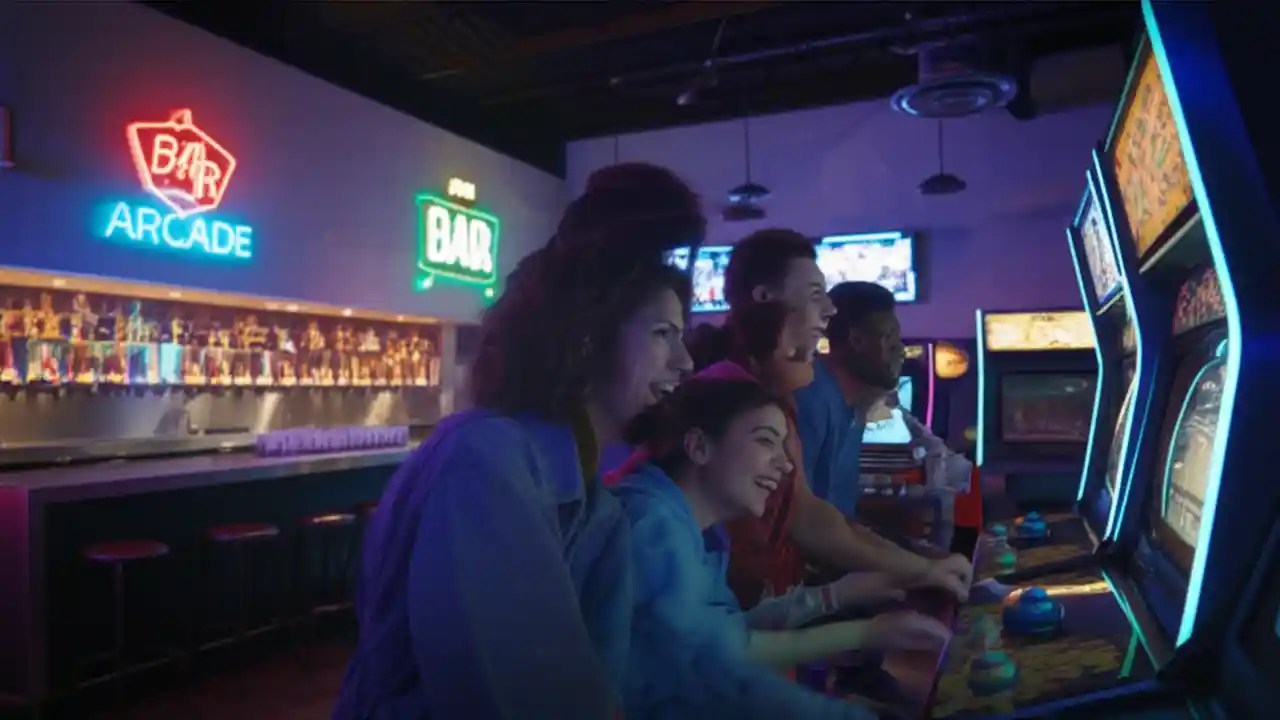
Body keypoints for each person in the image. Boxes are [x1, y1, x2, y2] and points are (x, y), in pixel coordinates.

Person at [332, 163, 702, 720]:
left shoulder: (595, 505)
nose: (685, 361)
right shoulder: (487, 461)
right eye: (662, 335)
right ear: (586, 336)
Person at [616, 378, 952, 720]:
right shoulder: (651, 524)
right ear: (700, 447)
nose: (786, 465)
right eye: (766, 441)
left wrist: (836, 596)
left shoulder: (691, 528)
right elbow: (722, 657)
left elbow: (727, 631)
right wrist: (867, 633)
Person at [708, 230, 971, 607]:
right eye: (816, 295)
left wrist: (920, 561)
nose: (828, 311)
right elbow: (810, 524)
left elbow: (829, 518)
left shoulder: (799, 400)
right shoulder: (782, 401)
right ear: (766, 299)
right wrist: (920, 570)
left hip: (773, 609)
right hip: (752, 614)